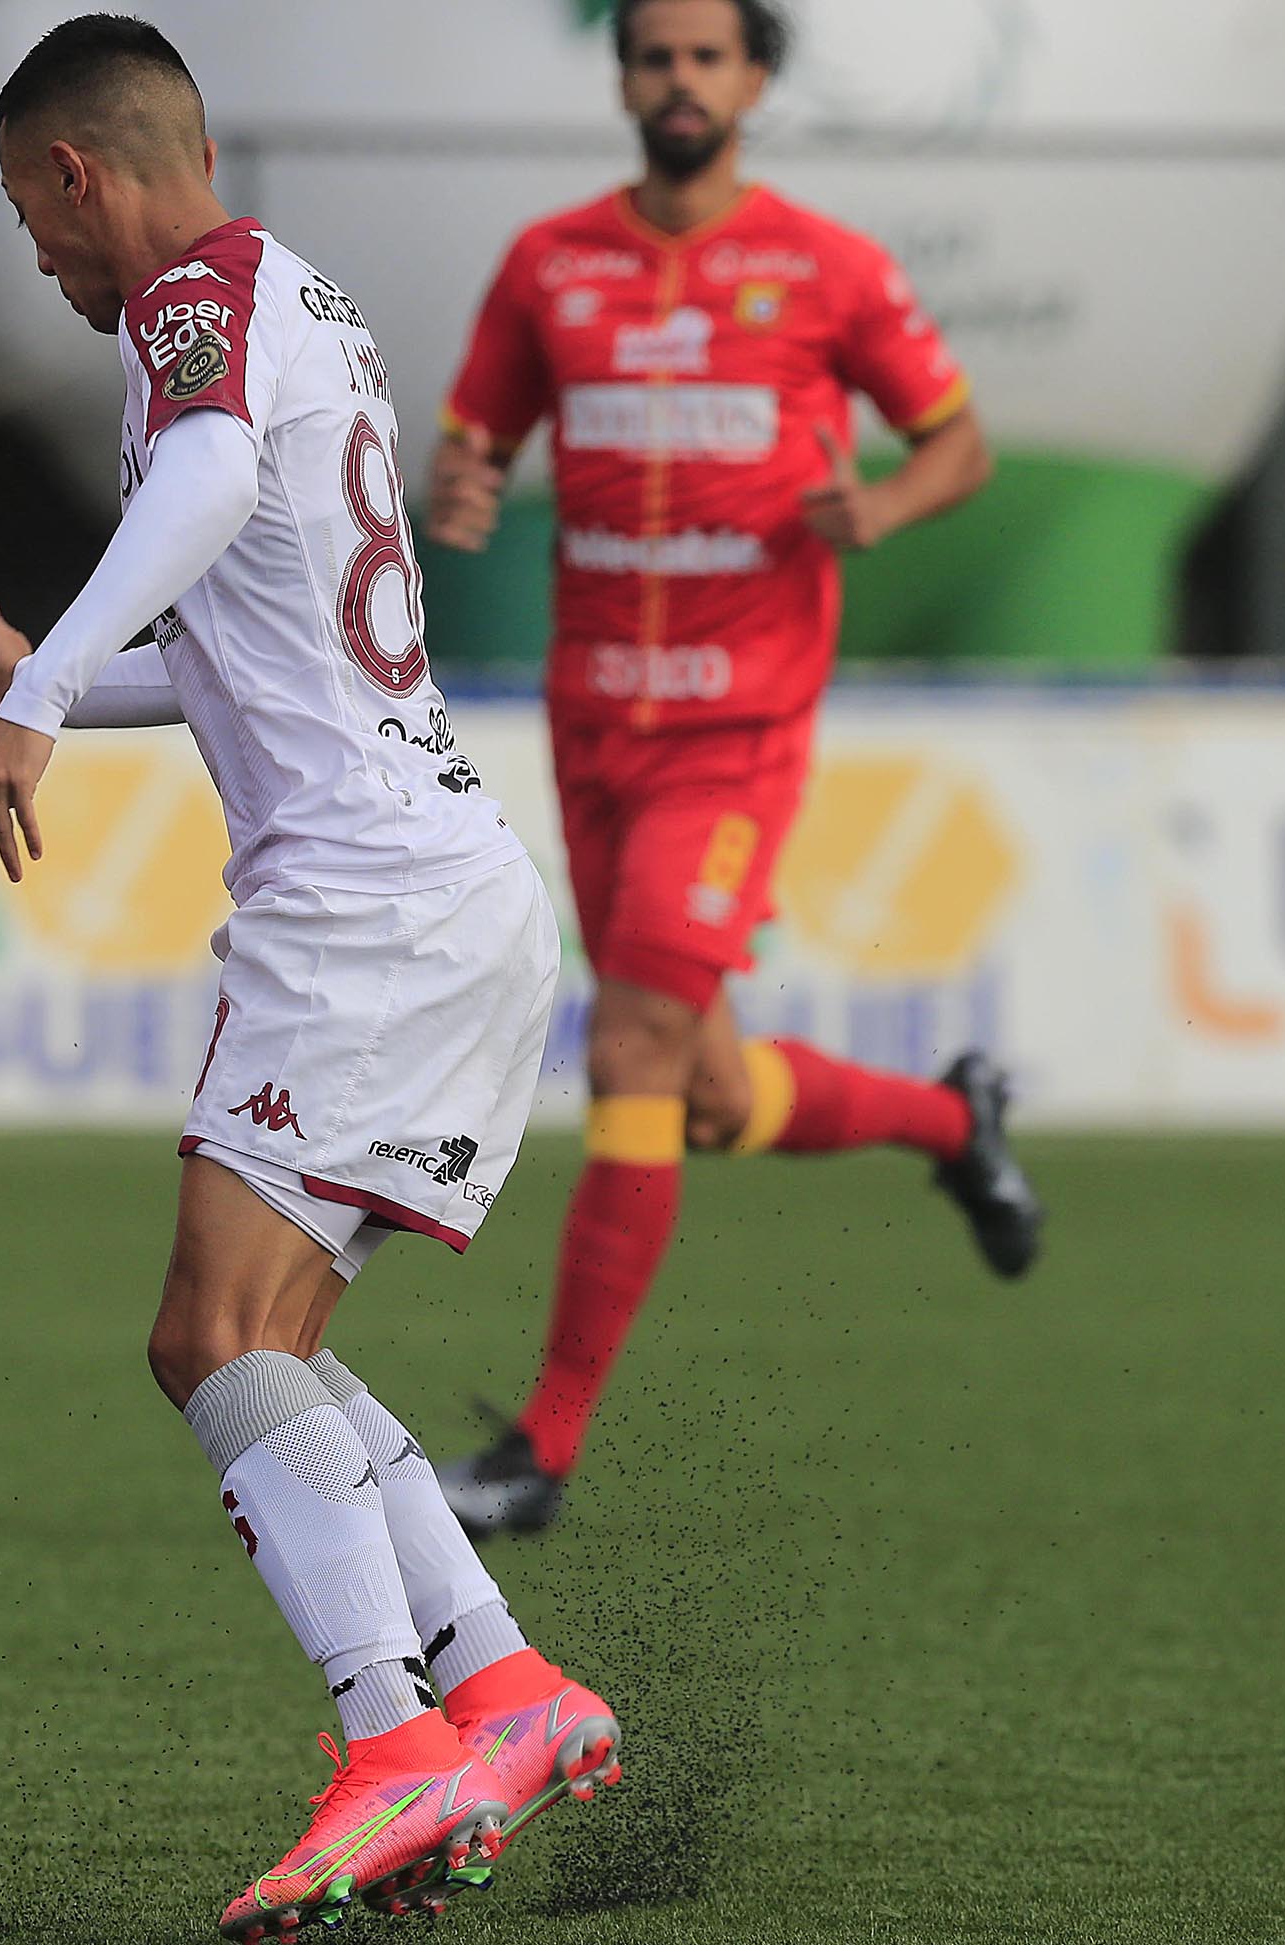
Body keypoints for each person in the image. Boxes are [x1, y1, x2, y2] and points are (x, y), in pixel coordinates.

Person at [0, 16, 619, 1945]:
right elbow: (269, 642)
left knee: (212, 1337)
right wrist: (71, 675)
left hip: (363, 915)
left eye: (28, 214)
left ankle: (392, 1735)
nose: (41, 262)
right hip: (443, 879)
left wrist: (51, 694)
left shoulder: (193, 308)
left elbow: (222, 475)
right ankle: (496, 1685)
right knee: (273, 1340)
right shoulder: (288, 297)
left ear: (81, 173)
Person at [420, 0, 1042, 1540]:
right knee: (700, 1092)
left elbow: (958, 443)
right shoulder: (550, 264)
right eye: (654, 56)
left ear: (754, 82)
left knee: (629, 1049)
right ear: (626, 79)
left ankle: (543, 1449)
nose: (678, 80)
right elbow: (475, 437)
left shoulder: (828, 268)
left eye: (708, 57)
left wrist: (880, 516)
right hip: (595, 724)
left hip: (738, 728)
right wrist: (467, 484)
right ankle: (957, 1122)